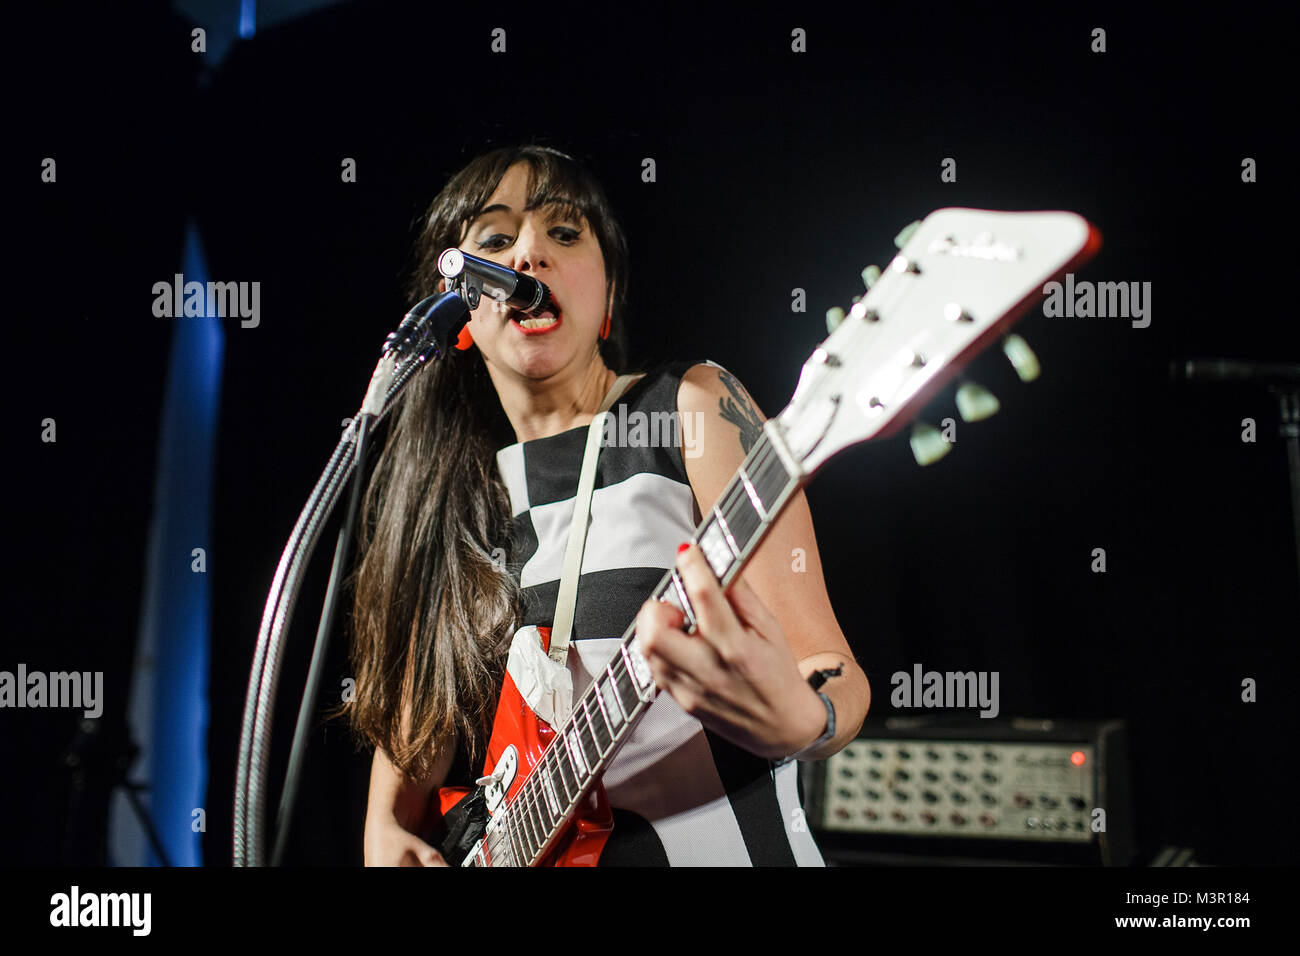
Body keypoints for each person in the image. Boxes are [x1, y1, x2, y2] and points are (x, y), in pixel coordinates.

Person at [344, 144, 870, 866]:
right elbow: (407, 761)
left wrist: (807, 719)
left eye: (564, 232)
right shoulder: (453, 506)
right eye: (495, 240)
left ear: (609, 294)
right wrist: (383, 827)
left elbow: (831, 664)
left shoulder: (688, 408)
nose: (528, 254)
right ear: (459, 307)